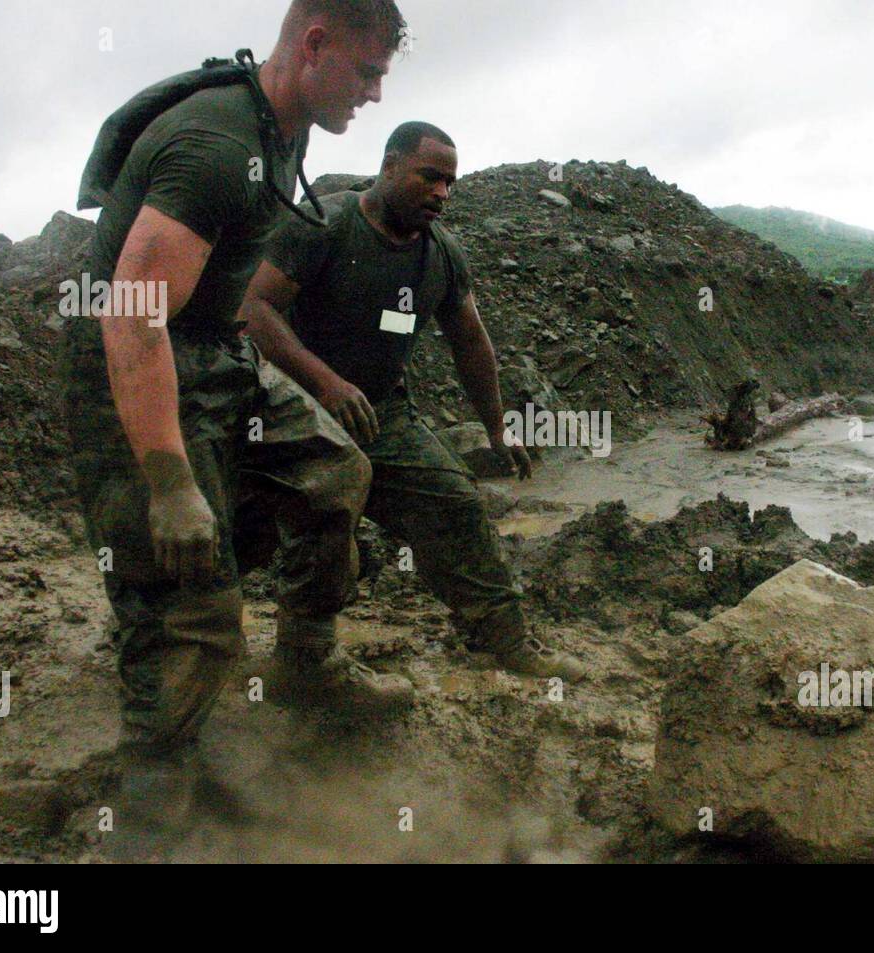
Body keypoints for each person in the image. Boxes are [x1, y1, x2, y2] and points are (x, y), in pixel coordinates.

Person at [60, 0, 411, 845]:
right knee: (193, 596)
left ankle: (305, 663)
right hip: (139, 361)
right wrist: (173, 482)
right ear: (314, 44)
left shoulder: (283, 121)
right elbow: (131, 316)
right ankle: (155, 774)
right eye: (366, 73)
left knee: (334, 472)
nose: (372, 95)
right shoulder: (219, 145)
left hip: (216, 350)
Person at [239, 122, 586, 681]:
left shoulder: (440, 255)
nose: (442, 193)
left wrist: (497, 429)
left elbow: (470, 340)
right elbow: (255, 309)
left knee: (454, 504)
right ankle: (304, 666)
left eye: (451, 183)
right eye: (431, 177)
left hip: (381, 414)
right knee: (306, 520)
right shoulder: (323, 224)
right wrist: (324, 382)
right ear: (390, 165)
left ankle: (503, 639)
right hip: (288, 410)